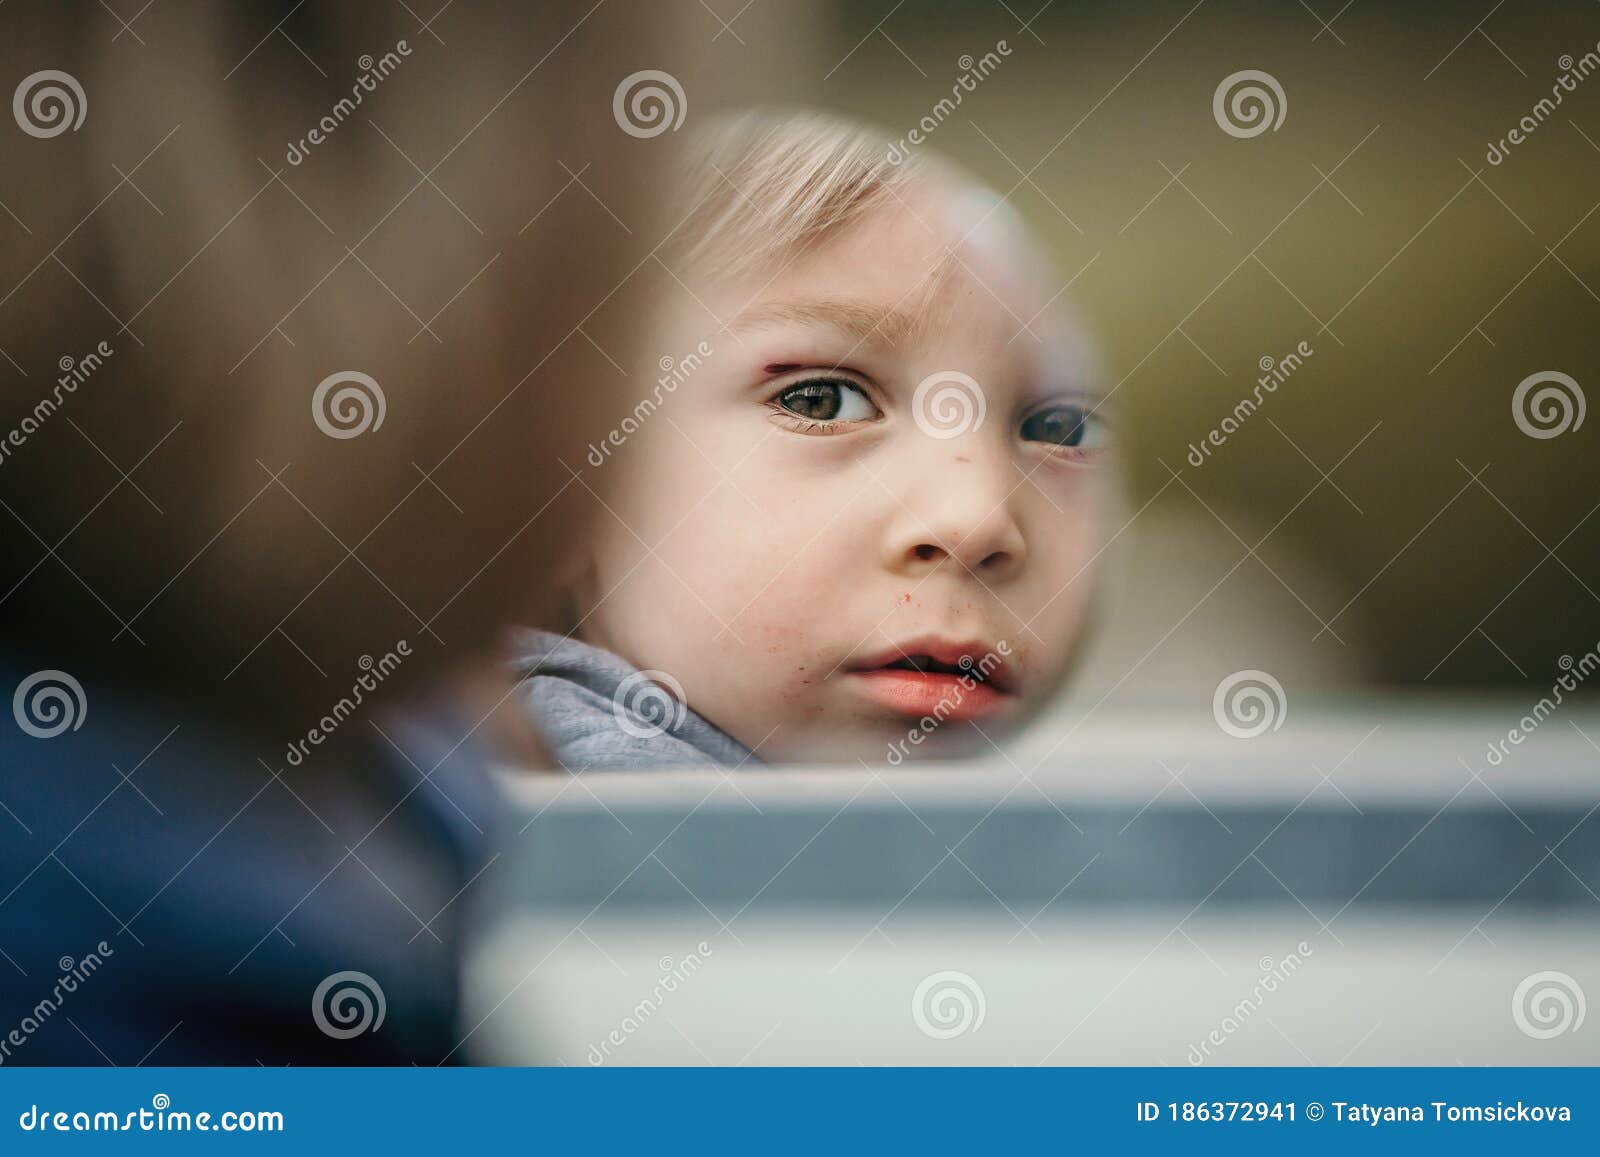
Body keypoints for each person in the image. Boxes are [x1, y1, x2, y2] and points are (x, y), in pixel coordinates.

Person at [517, 111, 1116, 769]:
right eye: (822, 399)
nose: (976, 519)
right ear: (568, 488)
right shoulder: (624, 815)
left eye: (1055, 427)